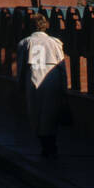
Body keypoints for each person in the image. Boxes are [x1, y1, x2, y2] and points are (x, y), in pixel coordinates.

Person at [16, 12, 68, 159]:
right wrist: (65, 88)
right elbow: (62, 67)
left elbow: (20, 67)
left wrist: (19, 86)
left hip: (33, 77)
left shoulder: (25, 43)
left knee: (36, 113)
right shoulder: (55, 42)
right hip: (53, 79)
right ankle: (51, 144)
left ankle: (45, 145)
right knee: (50, 113)